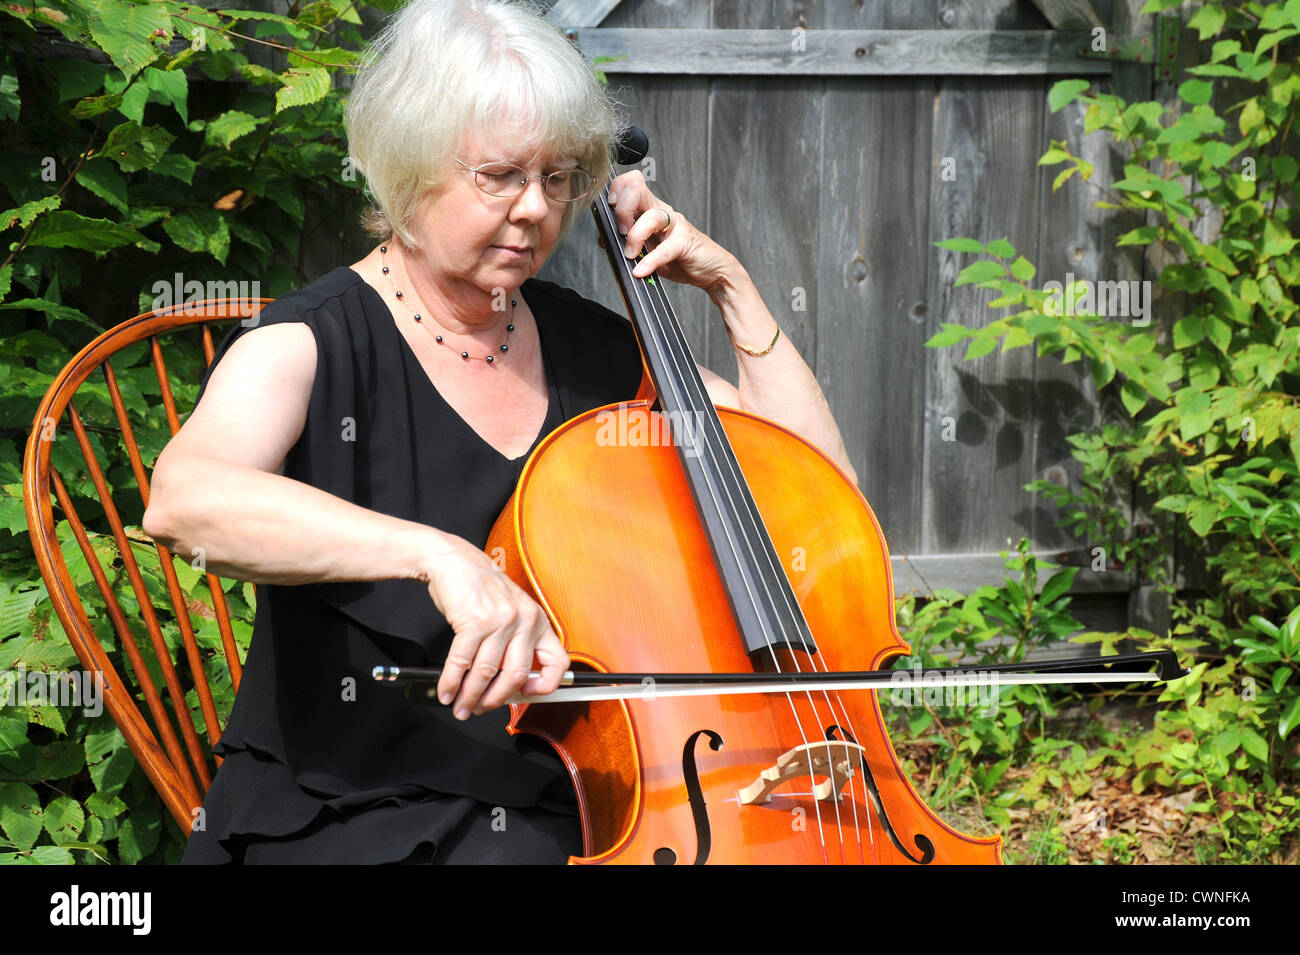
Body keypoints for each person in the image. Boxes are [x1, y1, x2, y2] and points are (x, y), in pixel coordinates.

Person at [144, 0, 858, 864]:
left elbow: (817, 493)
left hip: (570, 802)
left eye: (558, 179)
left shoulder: (594, 349)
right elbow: (185, 503)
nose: (534, 209)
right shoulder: (311, 341)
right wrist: (438, 554)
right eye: (500, 176)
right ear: (409, 167)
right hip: (348, 809)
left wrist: (733, 289)